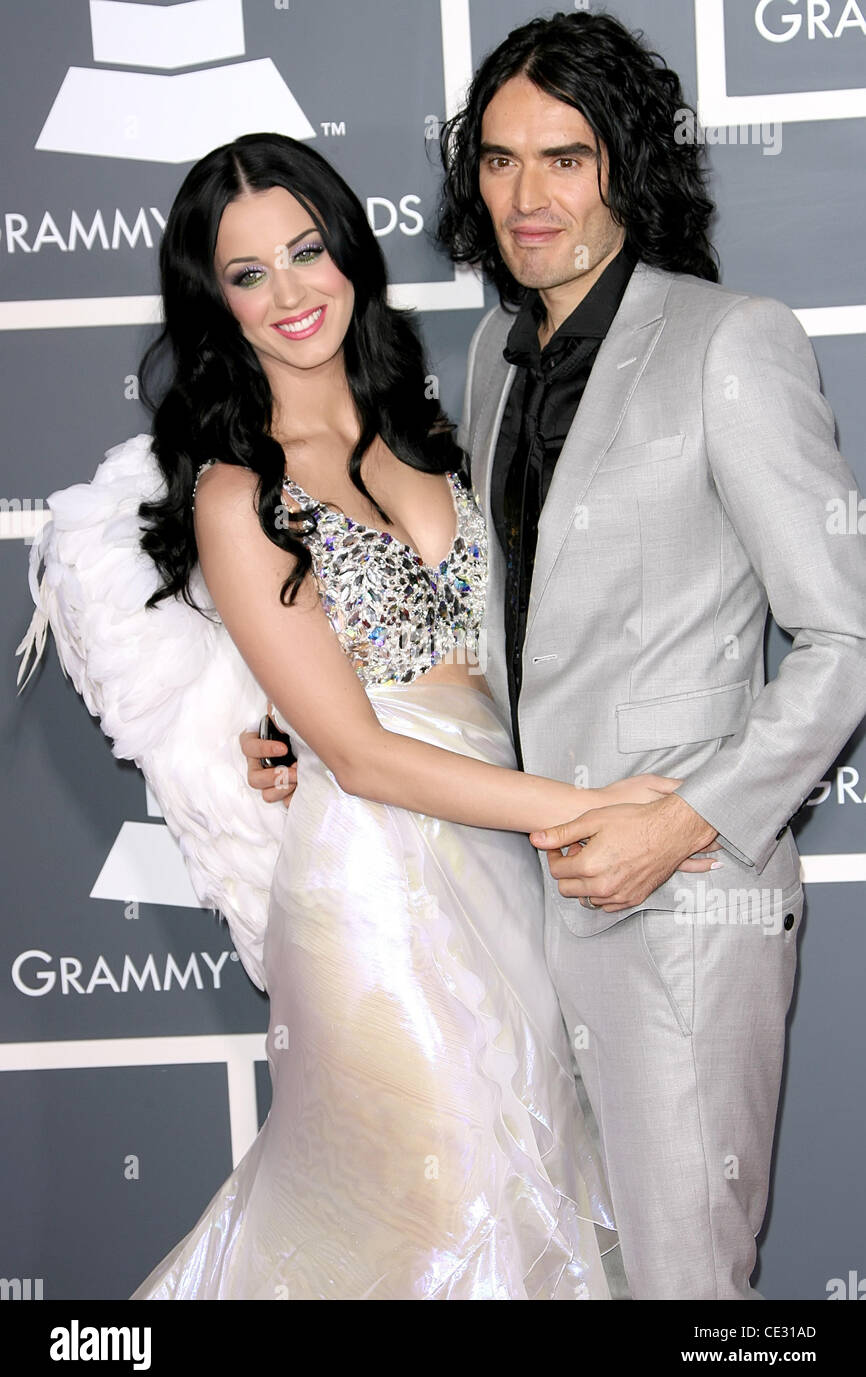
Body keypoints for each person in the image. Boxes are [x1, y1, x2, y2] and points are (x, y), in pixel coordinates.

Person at [15, 130, 719, 1300]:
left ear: (348, 251)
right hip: (377, 898)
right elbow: (352, 749)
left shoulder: (433, 434)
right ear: (214, 304)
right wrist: (588, 809)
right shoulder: (237, 490)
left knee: (544, 1190)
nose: (292, 292)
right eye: (249, 274)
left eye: (306, 250)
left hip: (515, 871)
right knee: (437, 1217)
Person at [248, 11, 866, 1300]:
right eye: (498, 159)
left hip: (684, 904)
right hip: (507, 910)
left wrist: (692, 818)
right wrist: (309, 723)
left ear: (625, 168)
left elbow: (844, 634)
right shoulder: (489, 355)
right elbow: (487, 624)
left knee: (686, 1285)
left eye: (566, 158)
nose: (527, 198)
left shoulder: (729, 340)